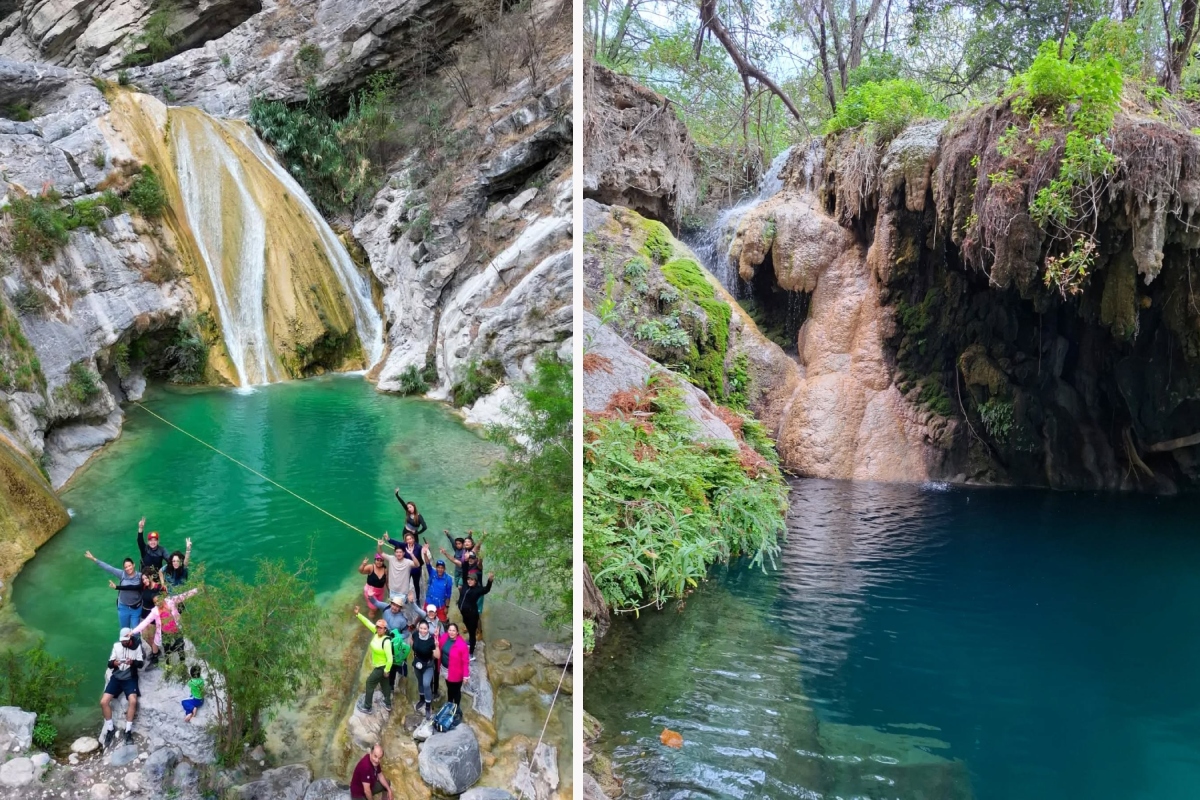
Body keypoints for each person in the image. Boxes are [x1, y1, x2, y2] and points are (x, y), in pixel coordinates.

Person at [132, 586, 201, 667]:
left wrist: (196, 590)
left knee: (181, 647)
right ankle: (168, 666)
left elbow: (183, 596)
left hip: (176, 630)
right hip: (165, 634)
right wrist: (132, 632)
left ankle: (183, 665)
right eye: (155, 602)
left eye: (158, 600)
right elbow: (145, 622)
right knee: (167, 651)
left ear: (162, 598)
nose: (157, 603)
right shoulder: (155, 611)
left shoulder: (170, 601)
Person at [100, 627, 143, 747]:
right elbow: (109, 664)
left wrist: (132, 662)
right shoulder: (116, 646)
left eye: (125, 640)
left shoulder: (137, 646)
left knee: (133, 701)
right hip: (117, 677)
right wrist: (115, 663)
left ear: (130, 638)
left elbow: (140, 664)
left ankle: (128, 730)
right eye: (122, 641)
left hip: (130, 678)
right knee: (103, 702)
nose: (123, 643)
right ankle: (110, 728)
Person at [353, 605, 394, 713]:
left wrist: (386, 671)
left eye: (381, 628)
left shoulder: (386, 641)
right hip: (379, 665)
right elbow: (367, 623)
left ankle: (367, 707)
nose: (378, 629)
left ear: (385, 629)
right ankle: (388, 704)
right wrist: (358, 614)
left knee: (369, 683)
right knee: (385, 685)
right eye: (377, 627)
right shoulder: (376, 633)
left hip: (382, 667)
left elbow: (390, 658)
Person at [367, 594, 413, 690]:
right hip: (383, 641)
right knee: (384, 662)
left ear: (400, 608)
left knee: (395, 665)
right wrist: (370, 596)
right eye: (393, 604)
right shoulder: (385, 608)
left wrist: (397, 636)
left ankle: (393, 683)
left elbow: (406, 633)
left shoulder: (402, 620)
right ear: (391, 603)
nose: (395, 607)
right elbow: (375, 602)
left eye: (397, 606)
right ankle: (384, 681)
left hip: (394, 645)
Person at [87, 551, 142, 630]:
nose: (128, 568)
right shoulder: (122, 574)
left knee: (136, 631)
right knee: (124, 630)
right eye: (126, 567)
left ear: (133, 565)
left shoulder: (140, 576)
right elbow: (109, 568)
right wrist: (94, 559)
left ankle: (137, 642)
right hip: (123, 607)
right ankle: (126, 642)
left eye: (129, 566)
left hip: (136, 608)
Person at [457, 572, 494, 660]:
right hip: (464, 614)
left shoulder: (477, 590)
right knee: (469, 629)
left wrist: (490, 580)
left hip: (472, 616)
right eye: (468, 579)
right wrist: (465, 560)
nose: (469, 581)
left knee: (473, 634)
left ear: (475, 581)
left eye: (472, 580)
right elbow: (464, 569)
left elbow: (487, 589)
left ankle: (471, 654)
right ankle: (470, 641)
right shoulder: (465, 585)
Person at [375, 537, 415, 606]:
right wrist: (379, 545)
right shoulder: (391, 559)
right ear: (394, 553)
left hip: (402, 592)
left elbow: (417, 564)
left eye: (400, 552)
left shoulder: (408, 562)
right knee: (393, 608)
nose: (398, 554)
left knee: (400, 609)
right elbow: (380, 553)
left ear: (403, 553)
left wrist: (412, 554)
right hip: (392, 590)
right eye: (397, 552)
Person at [410, 620, 438, 719]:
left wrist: (437, 645)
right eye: (421, 628)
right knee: (420, 682)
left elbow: (437, 656)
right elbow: (412, 642)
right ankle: (421, 699)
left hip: (428, 665)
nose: (422, 630)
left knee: (426, 684)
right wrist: (414, 655)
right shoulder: (415, 634)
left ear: (428, 629)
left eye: (425, 628)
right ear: (418, 628)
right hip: (417, 664)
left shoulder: (431, 640)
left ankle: (427, 705)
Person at [438, 622, 469, 709]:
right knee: (449, 688)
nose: (451, 632)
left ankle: (456, 707)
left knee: (456, 691)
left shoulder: (462, 645)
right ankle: (449, 703)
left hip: (456, 672)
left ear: (457, 632)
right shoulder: (444, 637)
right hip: (444, 669)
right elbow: (438, 645)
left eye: (453, 631)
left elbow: (465, 661)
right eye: (450, 630)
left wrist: (465, 675)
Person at [421, 543, 454, 623]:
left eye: (442, 568)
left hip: (440, 604)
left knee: (442, 621)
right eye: (438, 567)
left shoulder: (448, 579)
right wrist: (425, 553)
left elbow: (448, 594)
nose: (440, 569)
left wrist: (447, 607)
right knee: (425, 617)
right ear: (436, 568)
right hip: (429, 600)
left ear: (444, 569)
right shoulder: (432, 572)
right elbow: (428, 564)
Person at [358, 552, 389, 619]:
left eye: (381, 561)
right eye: (378, 560)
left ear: (383, 562)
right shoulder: (371, 567)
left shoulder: (385, 569)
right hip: (370, 592)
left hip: (380, 592)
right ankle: (371, 623)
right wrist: (363, 565)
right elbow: (361, 571)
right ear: (375, 560)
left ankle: (375, 616)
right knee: (373, 610)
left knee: (378, 607)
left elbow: (387, 582)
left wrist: (389, 592)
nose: (379, 562)